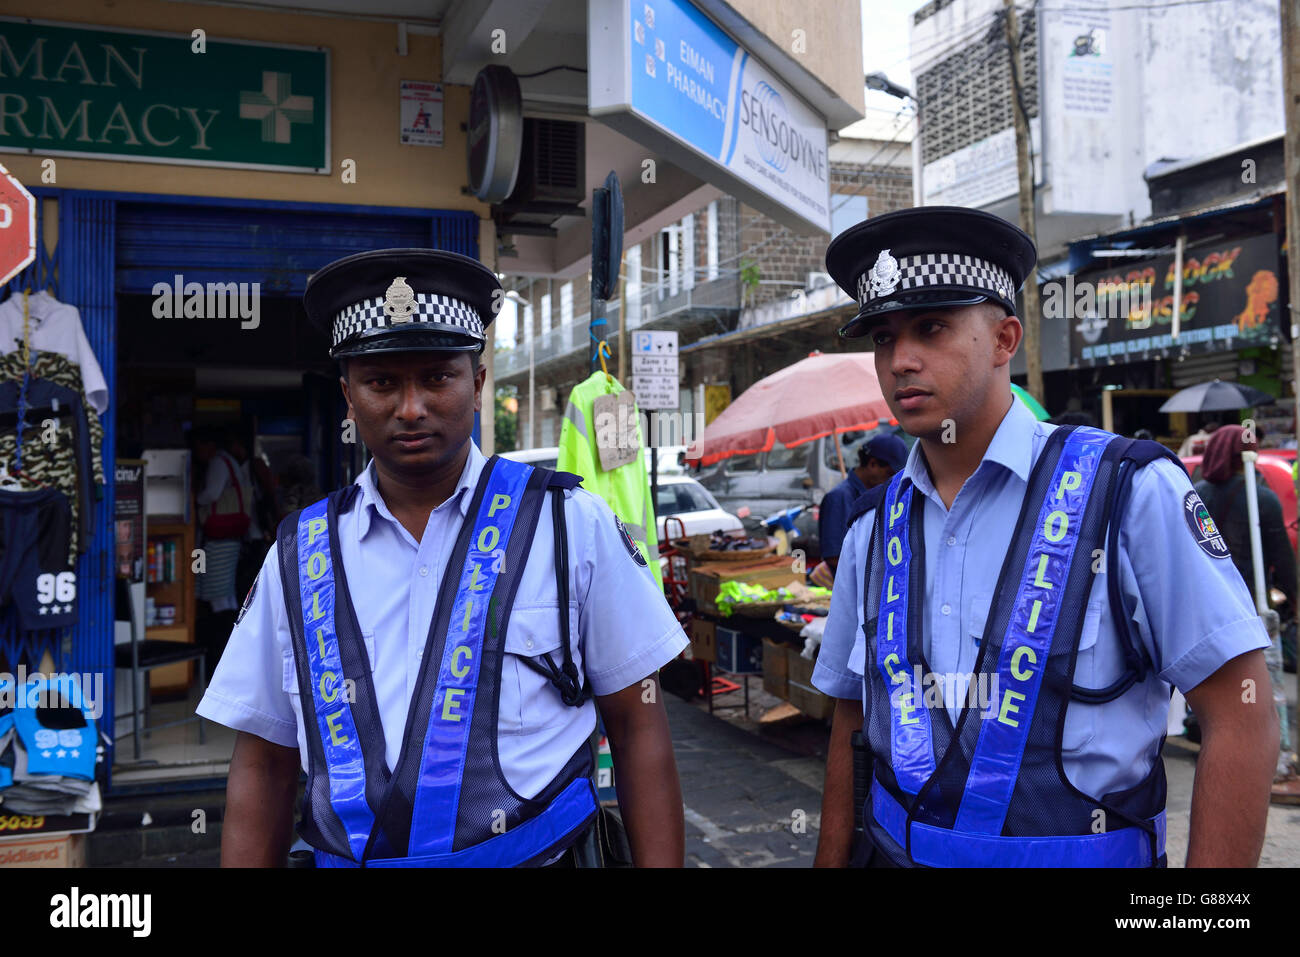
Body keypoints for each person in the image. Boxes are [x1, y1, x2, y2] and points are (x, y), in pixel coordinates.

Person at [811, 206, 1278, 868]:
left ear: (1005, 339)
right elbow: (850, 723)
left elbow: (1240, 710)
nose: (901, 360)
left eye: (932, 327)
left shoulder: (1127, 493)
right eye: (883, 337)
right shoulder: (872, 525)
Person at [197, 249, 687, 867]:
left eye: (436, 377)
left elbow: (638, 726)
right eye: (381, 382)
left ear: (477, 384)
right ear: (348, 395)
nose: (410, 407)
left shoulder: (569, 525)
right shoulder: (298, 556)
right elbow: (265, 760)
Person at [1193, 424, 1296, 611]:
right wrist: (1295, 600)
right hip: (1250, 600)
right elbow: (1283, 560)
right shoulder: (1262, 499)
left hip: (1205, 602)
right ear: (1247, 457)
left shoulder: (1194, 496)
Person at [811, 434, 907, 588]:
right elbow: (834, 556)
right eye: (890, 474)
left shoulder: (884, 495)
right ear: (873, 464)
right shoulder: (839, 497)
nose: (893, 480)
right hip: (853, 588)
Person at [193, 427, 253, 665]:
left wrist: (194, 499)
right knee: (224, 594)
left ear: (207, 445)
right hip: (229, 536)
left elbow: (212, 494)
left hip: (220, 538)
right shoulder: (229, 462)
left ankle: (220, 653)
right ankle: (225, 653)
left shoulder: (219, 463)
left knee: (219, 596)